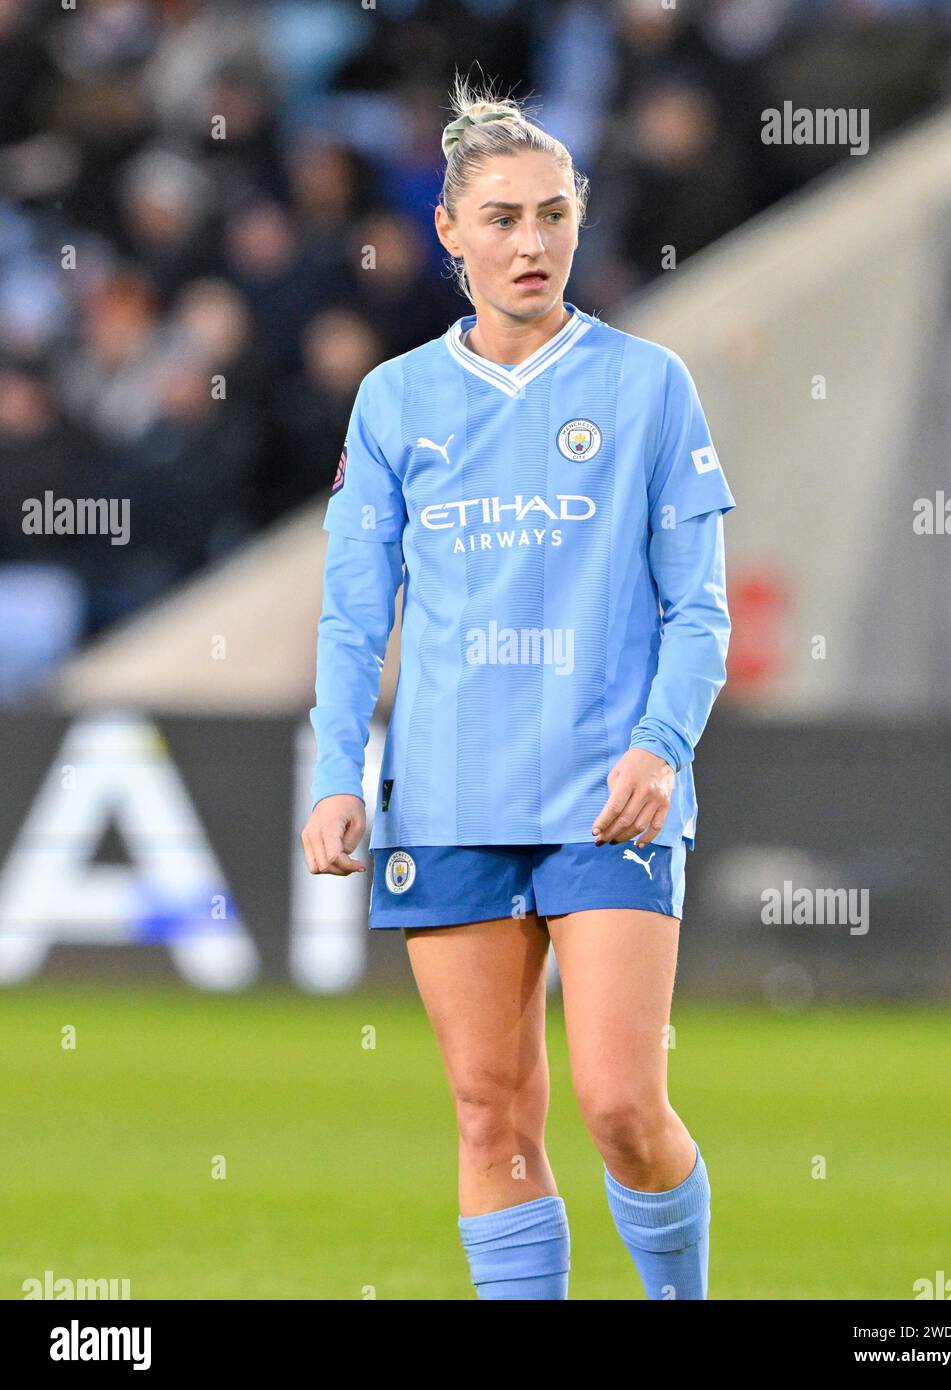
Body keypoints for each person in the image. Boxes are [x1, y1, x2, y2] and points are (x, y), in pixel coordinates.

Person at [301, 75, 735, 1301]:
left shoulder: (646, 384)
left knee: (617, 1102)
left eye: (552, 215)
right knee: (492, 1116)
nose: (531, 242)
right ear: (448, 231)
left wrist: (662, 743)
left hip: (610, 791)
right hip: (447, 794)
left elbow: (698, 603)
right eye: (501, 218)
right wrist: (340, 771)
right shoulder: (396, 401)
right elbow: (352, 611)